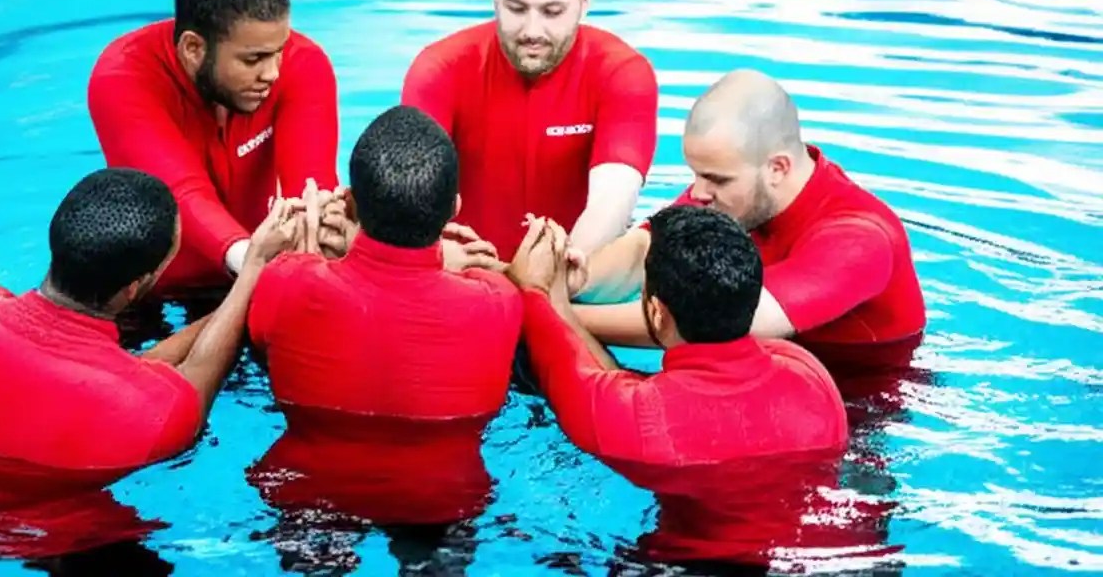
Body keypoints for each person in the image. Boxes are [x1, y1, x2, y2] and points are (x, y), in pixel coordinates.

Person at [0, 167, 301, 534]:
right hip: (57, 541)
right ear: (134, 289)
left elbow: (115, 371)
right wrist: (257, 267)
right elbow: (196, 374)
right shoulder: (152, 409)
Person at [246, 106, 522, 569]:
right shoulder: (497, 300)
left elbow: (267, 330)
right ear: (454, 208)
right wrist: (451, 262)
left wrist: (327, 245)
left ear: (350, 202)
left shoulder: (287, 281)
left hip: (310, 492)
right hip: (443, 501)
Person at [506, 208, 851, 567]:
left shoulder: (634, 417)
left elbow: (579, 374)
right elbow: (625, 394)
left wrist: (537, 289)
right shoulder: (808, 373)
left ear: (655, 311)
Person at [572, 69, 927, 379]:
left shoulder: (859, 238)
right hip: (765, 377)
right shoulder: (735, 194)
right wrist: (567, 280)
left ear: (778, 168)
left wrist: (558, 315)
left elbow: (724, 324)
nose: (698, 192)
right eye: (696, 174)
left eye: (715, 179)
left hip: (855, 410)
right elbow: (646, 248)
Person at [400, 0, 659, 263]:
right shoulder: (440, 69)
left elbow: (615, 196)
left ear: (584, 2)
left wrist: (565, 265)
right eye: (516, 9)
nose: (532, 30)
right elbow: (408, 200)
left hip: (573, 275)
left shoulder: (622, 73)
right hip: (465, 273)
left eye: (552, 12)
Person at [88, 0, 339, 296]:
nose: (273, 72)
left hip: (258, 270)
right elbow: (181, 191)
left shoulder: (304, 63)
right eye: (254, 59)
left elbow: (313, 190)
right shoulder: (123, 76)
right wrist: (252, 262)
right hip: (148, 293)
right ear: (193, 49)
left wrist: (328, 240)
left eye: (279, 51)